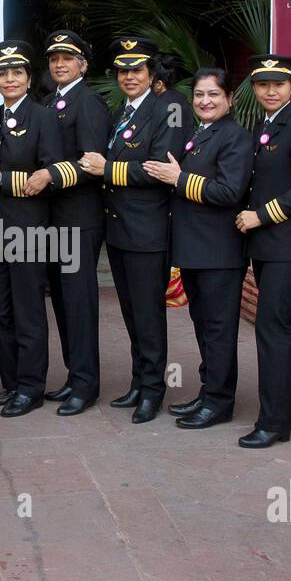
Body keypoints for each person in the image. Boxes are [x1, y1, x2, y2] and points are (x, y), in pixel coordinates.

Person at [78, 36, 179, 424]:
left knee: (149, 314)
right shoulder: (125, 112)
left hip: (147, 230)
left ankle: (154, 390)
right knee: (132, 313)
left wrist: (107, 168)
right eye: (123, 70)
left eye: (137, 69)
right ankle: (139, 381)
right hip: (120, 230)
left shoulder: (166, 107)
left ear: (152, 73)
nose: (129, 76)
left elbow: (158, 170)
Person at [147, 67, 248, 429]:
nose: (205, 101)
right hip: (195, 251)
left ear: (229, 99)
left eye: (213, 95)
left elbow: (228, 192)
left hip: (219, 253)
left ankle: (220, 402)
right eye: (200, 95)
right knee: (204, 326)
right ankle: (209, 392)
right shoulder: (200, 133)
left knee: (219, 330)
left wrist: (180, 179)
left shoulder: (234, 137)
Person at [235, 55, 291, 448]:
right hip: (271, 247)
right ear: (254, 88)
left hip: (289, 244)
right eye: (263, 85)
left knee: (272, 329)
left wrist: (259, 217)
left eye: (279, 84)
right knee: (288, 327)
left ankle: (273, 422)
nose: (270, 91)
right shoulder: (264, 125)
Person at [0, 41, 62, 417]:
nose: (9, 79)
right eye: (3, 74)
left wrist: (2, 179)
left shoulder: (42, 117)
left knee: (27, 310)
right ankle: (12, 383)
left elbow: (50, 175)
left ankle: (31, 387)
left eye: (17, 73)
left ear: (28, 79)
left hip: (27, 228)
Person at [33, 29, 110, 416]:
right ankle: (73, 375)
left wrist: (50, 174)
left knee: (79, 302)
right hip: (53, 218)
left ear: (83, 63)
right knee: (62, 302)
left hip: (79, 217)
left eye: (68, 58)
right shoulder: (49, 102)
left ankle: (86, 384)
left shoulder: (89, 102)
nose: (59, 64)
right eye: (54, 59)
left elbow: (92, 162)